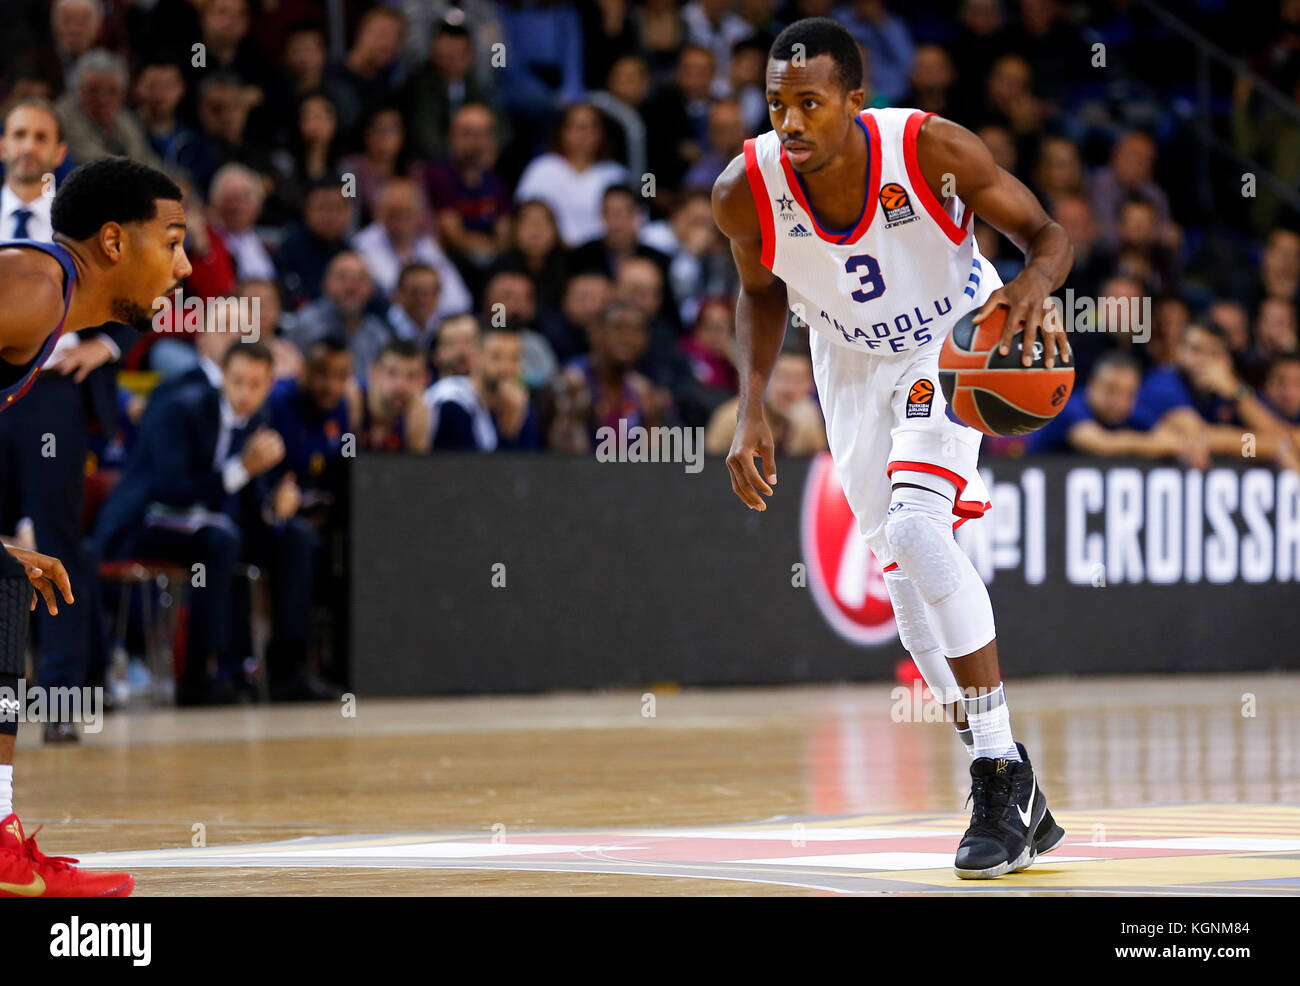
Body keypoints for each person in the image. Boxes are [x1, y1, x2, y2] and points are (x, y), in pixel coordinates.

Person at [712, 19, 1072, 879]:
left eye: (809, 103)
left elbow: (1048, 235)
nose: (789, 122)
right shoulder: (744, 189)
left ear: (855, 102)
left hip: (946, 343)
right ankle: (1014, 779)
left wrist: (1029, 286)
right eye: (776, 105)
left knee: (917, 530)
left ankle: (992, 774)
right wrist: (751, 404)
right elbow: (760, 293)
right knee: (904, 593)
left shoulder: (932, 147)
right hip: (844, 358)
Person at [0, 156, 193, 896]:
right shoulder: (33, 291)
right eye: (170, 241)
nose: (181, 267)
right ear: (114, 243)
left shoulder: (50, 308)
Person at [0, 103, 138, 744]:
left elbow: (138, 281)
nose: (29, 146)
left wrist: (104, 347)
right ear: (5, 144)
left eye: (42, 137)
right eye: (19, 134)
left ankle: (61, 702)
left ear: (59, 151)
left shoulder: (79, 219)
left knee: (56, 540)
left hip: (53, 392)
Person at [1025, 351, 1186, 459]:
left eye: (1128, 394)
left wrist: (1180, 445)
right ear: (1092, 385)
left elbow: (1169, 437)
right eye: (1111, 390)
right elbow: (1102, 444)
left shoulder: (1134, 413)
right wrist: (1155, 444)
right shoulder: (1068, 408)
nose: (1118, 402)